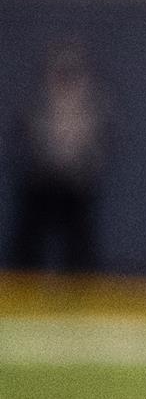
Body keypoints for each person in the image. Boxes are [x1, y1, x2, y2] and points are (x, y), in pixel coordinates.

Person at [9, 44, 109, 273]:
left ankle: (80, 284)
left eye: (71, 73)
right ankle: (24, 280)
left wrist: (83, 171)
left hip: (75, 184)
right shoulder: (40, 104)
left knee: (79, 239)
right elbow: (27, 142)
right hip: (43, 182)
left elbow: (96, 147)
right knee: (29, 235)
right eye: (61, 73)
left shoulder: (90, 107)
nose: (66, 79)